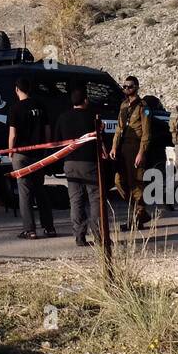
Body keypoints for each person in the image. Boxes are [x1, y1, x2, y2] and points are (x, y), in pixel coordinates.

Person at [7, 75, 57, 240]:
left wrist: (10, 151)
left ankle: (30, 230)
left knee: (25, 193)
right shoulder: (40, 106)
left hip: (21, 155)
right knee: (41, 191)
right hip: (39, 154)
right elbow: (48, 130)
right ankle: (49, 227)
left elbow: (12, 134)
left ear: (16, 90)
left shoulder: (15, 109)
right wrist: (47, 148)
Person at [56, 83, 105, 246]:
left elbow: (57, 140)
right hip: (89, 162)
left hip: (70, 162)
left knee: (76, 201)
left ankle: (79, 236)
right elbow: (100, 137)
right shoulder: (93, 117)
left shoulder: (63, 117)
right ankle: (99, 235)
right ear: (86, 100)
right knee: (95, 199)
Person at [112, 76, 153, 229]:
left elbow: (147, 133)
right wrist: (114, 146)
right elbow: (119, 128)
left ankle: (137, 218)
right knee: (119, 181)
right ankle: (141, 214)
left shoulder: (144, 107)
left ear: (136, 87)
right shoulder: (123, 105)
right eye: (124, 86)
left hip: (136, 147)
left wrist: (141, 152)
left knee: (136, 183)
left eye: (130, 86)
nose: (127, 89)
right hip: (123, 148)